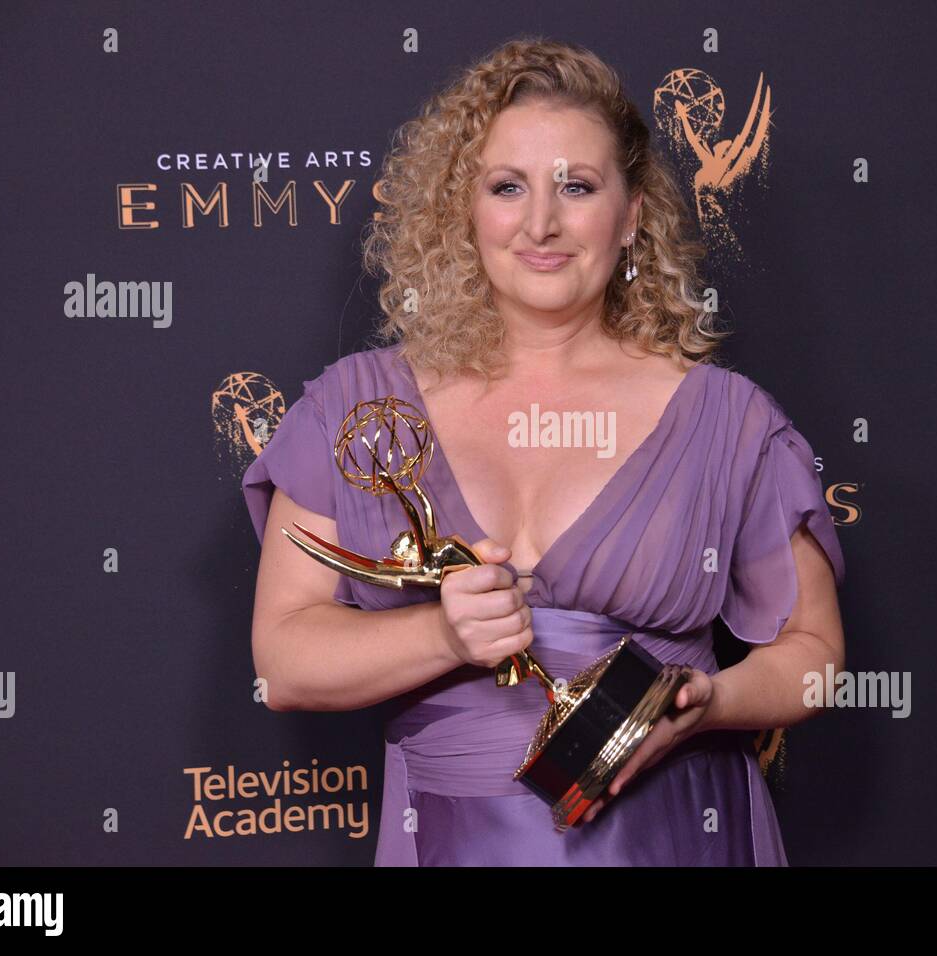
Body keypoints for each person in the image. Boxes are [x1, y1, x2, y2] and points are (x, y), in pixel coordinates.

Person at [241, 37, 846, 866]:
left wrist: (711, 704)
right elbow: (283, 662)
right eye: (507, 187)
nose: (541, 224)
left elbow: (815, 657)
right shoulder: (360, 408)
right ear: (466, 211)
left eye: (577, 186)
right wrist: (445, 639)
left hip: (674, 837)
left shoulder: (726, 421)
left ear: (632, 214)